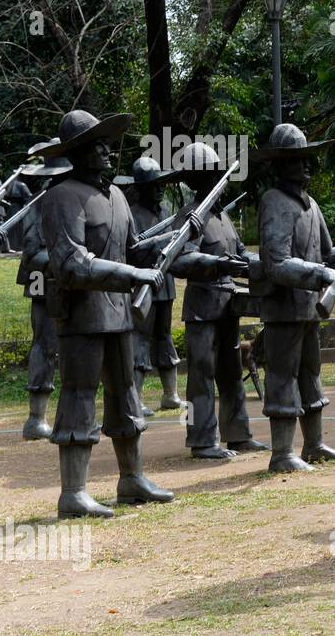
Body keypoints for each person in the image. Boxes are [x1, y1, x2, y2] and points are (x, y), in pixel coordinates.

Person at [36, 110, 174, 518]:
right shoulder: (61, 197)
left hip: (119, 315)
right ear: (78, 152)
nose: (107, 150)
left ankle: (132, 478)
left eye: (107, 143)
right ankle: (73, 492)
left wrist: (175, 236)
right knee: (79, 396)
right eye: (97, 144)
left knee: (126, 394)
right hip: (81, 316)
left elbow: (131, 249)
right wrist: (133, 272)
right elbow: (73, 264)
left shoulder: (116, 197)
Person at [253, 123, 335, 473]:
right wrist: (321, 274)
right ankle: (282, 453)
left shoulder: (311, 206)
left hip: (309, 308)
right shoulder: (274, 202)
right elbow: (276, 262)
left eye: (307, 158)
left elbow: (326, 253)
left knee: (311, 372)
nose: (307, 165)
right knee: (282, 376)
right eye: (298, 160)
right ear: (281, 165)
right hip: (283, 308)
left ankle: (314, 443)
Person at [165, 142, 268, 459]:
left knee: (230, 373)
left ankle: (238, 435)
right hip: (202, 308)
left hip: (228, 305)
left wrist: (263, 265)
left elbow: (239, 254)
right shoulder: (190, 216)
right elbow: (178, 260)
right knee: (201, 375)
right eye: (213, 175)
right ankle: (201, 439)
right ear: (201, 179)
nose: (220, 180)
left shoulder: (222, 218)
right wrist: (216, 265)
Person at [10, 141, 69, 440]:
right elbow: (33, 251)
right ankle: (36, 418)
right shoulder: (41, 201)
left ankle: (68, 416)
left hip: (69, 281)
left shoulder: (70, 197)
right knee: (45, 344)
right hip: (44, 281)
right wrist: (68, 259)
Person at [114, 156, 181, 415]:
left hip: (165, 283)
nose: (160, 189)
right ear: (141, 188)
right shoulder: (132, 214)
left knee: (164, 337)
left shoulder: (165, 212)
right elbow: (129, 252)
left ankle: (171, 394)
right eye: (154, 185)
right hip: (144, 283)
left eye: (161, 184)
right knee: (140, 339)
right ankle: (137, 398)